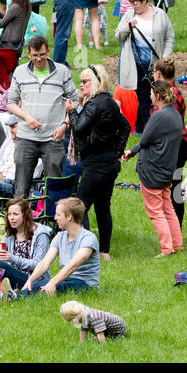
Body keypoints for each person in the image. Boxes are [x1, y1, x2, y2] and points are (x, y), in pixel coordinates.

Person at [68, 65, 131, 259]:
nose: (81, 85)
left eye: (85, 81)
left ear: (96, 81)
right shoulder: (110, 101)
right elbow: (126, 126)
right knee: (103, 207)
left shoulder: (94, 103)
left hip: (95, 163)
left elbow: (78, 128)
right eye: (80, 82)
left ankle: (84, 250)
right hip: (109, 162)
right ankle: (104, 252)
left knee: (79, 206)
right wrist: (118, 150)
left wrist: (71, 111)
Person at [7, 36, 76, 201]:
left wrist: (65, 125)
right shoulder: (20, 72)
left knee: (55, 188)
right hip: (26, 137)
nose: (39, 59)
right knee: (21, 188)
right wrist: (26, 116)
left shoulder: (62, 72)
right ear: (29, 53)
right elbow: (11, 103)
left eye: (42, 55)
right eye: (35, 55)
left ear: (48, 52)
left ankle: (56, 223)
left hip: (53, 138)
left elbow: (75, 102)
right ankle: (20, 223)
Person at [122, 79, 182, 255]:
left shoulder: (158, 115)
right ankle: (177, 245)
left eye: (150, 93)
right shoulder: (175, 114)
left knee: (156, 212)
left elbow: (145, 139)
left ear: (157, 96)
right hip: (167, 170)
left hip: (152, 170)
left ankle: (167, 248)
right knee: (168, 208)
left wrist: (132, 151)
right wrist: (132, 152)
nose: (149, 97)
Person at [8, 196, 99, 298]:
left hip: (84, 283)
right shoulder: (60, 236)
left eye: (58, 215)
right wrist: (30, 280)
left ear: (69, 217)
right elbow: (44, 263)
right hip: (64, 279)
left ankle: (13, 297)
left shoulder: (88, 238)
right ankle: (10, 296)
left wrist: (53, 282)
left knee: (57, 287)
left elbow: (73, 266)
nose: (55, 218)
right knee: (38, 285)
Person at [114, 0, 174, 131]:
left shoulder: (160, 14)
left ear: (144, 0)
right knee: (144, 96)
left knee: (159, 93)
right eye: (132, 4)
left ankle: (141, 127)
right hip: (136, 64)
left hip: (156, 64)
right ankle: (149, 129)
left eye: (136, 3)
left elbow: (170, 36)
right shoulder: (129, 15)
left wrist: (165, 57)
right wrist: (127, 27)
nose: (134, 7)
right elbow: (118, 37)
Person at [0, 197, 52, 288]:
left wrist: (12, 258)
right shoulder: (11, 233)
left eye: (15, 214)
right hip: (14, 276)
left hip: (34, 279)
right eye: (9, 214)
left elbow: (38, 264)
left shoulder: (40, 234)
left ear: (25, 215)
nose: (11, 218)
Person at [59, 300, 126, 343]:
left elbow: (100, 334)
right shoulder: (83, 316)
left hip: (117, 329)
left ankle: (116, 337)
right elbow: (83, 331)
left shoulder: (95, 318)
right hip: (105, 328)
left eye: (71, 321)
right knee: (96, 335)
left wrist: (103, 346)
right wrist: (82, 344)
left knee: (108, 338)